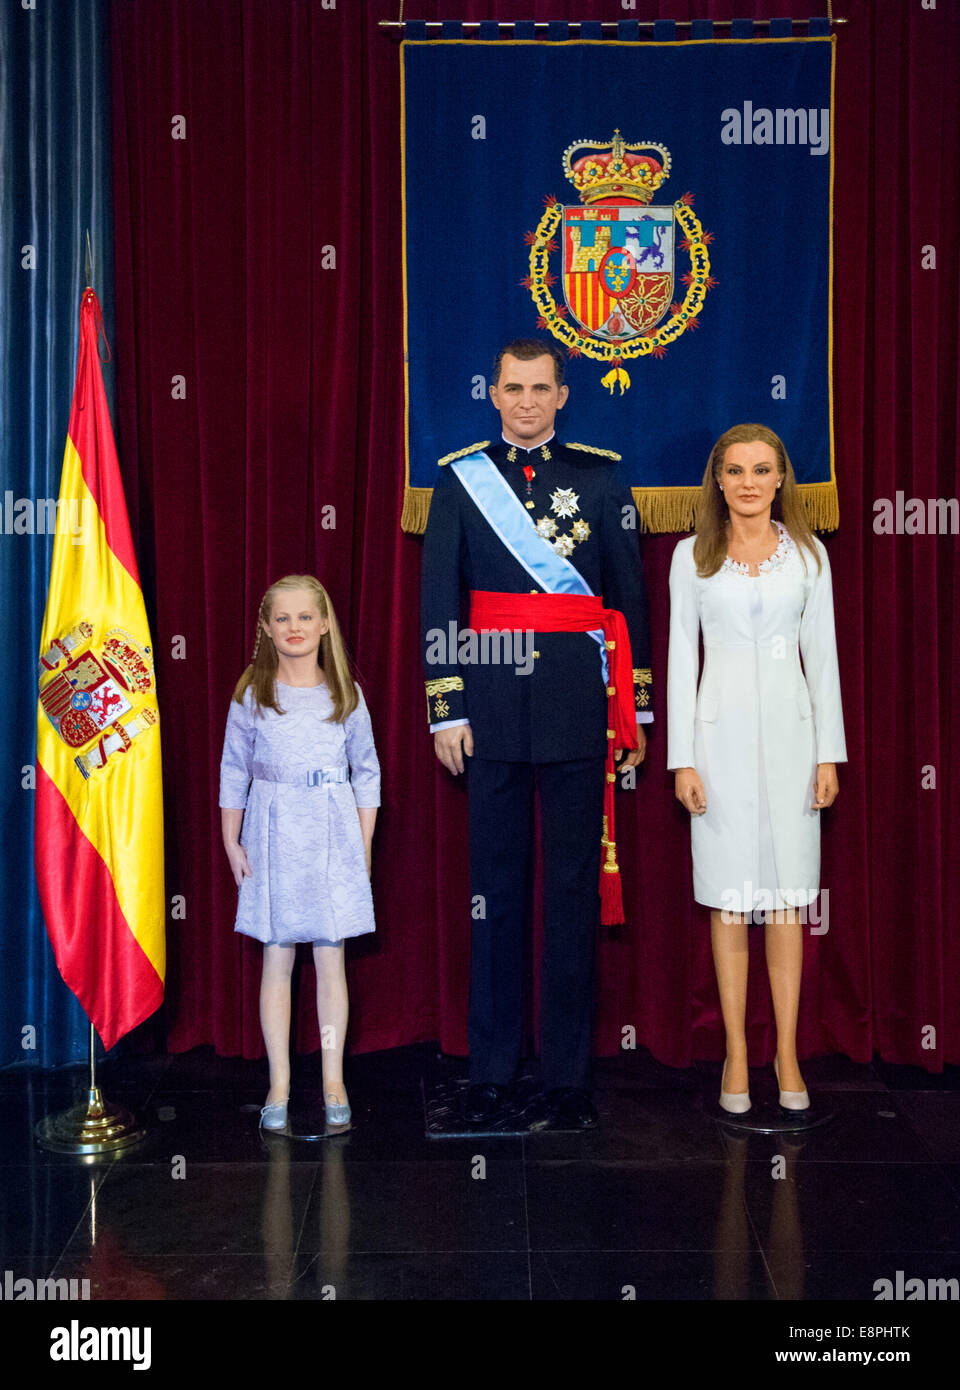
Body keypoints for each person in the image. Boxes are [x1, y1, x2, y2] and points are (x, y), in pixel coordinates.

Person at [421, 338, 653, 1129]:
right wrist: (447, 706)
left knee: (568, 897)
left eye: (540, 389)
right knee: (494, 895)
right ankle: (490, 1071)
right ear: (494, 394)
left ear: (562, 395)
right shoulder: (459, 479)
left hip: (575, 712)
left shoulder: (601, 475)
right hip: (487, 712)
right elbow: (440, 601)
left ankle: (566, 1079)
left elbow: (628, 596)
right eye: (513, 388)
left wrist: (636, 709)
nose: (525, 401)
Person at [666, 424, 846, 1115]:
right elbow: (683, 659)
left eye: (761, 470)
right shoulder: (692, 558)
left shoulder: (808, 556)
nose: (747, 482)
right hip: (718, 748)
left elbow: (822, 660)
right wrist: (683, 758)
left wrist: (829, 751)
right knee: (730, 900)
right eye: (735, 470)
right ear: (718, 480)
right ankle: (737, 1055)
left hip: (795, 749)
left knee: (786, 902)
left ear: (780, 479)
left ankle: (787, 1054)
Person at [219, 575, 379, 1133]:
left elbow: (368, 774)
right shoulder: (252, 694)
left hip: (332, 837)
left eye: (305, 617)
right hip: (273, 834)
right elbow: (234, 770)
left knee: (331, 961)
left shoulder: (345, 695)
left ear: (325, 623)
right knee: (278, 960)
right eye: (282, 619)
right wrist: (230, 838)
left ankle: (333, 1076)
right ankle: (280, 1080)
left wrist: (360, 848)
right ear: (265, 628)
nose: (294, 628)